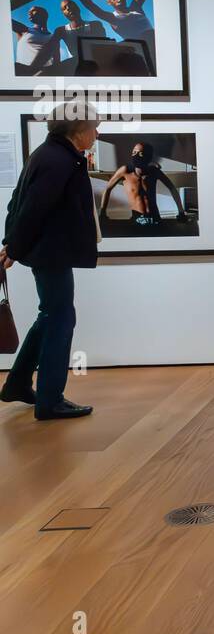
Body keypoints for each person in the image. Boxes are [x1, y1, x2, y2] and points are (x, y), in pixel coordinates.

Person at [0, 104, 99, 420]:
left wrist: (12, 245)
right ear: (79, 130)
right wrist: (13, 247)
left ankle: (17, 384)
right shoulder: (59, 160)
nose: (97, 134)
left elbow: (17, 202)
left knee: (50, 315)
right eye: (94, 128)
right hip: (50, 252)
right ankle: (50, 400)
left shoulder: (49, 154)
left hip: (47, 251)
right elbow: (32, 208)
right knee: (61, 318)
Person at [66, 0, 156, 75]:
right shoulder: (113, 18)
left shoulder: (136, 7)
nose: (119, 0)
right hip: (145, 54)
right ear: (109, 2)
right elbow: (90, 5)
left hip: (158, 46)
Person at [99, 141, 188, 229]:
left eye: (140, 153)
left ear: (148, 156)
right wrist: (102, 213)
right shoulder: (125, 171)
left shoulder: (154, 171)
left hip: (155, 219)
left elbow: (172, 188)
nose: (136, 155)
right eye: (134, 152)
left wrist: (181, 212)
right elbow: (107, 189)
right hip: (137, 220)